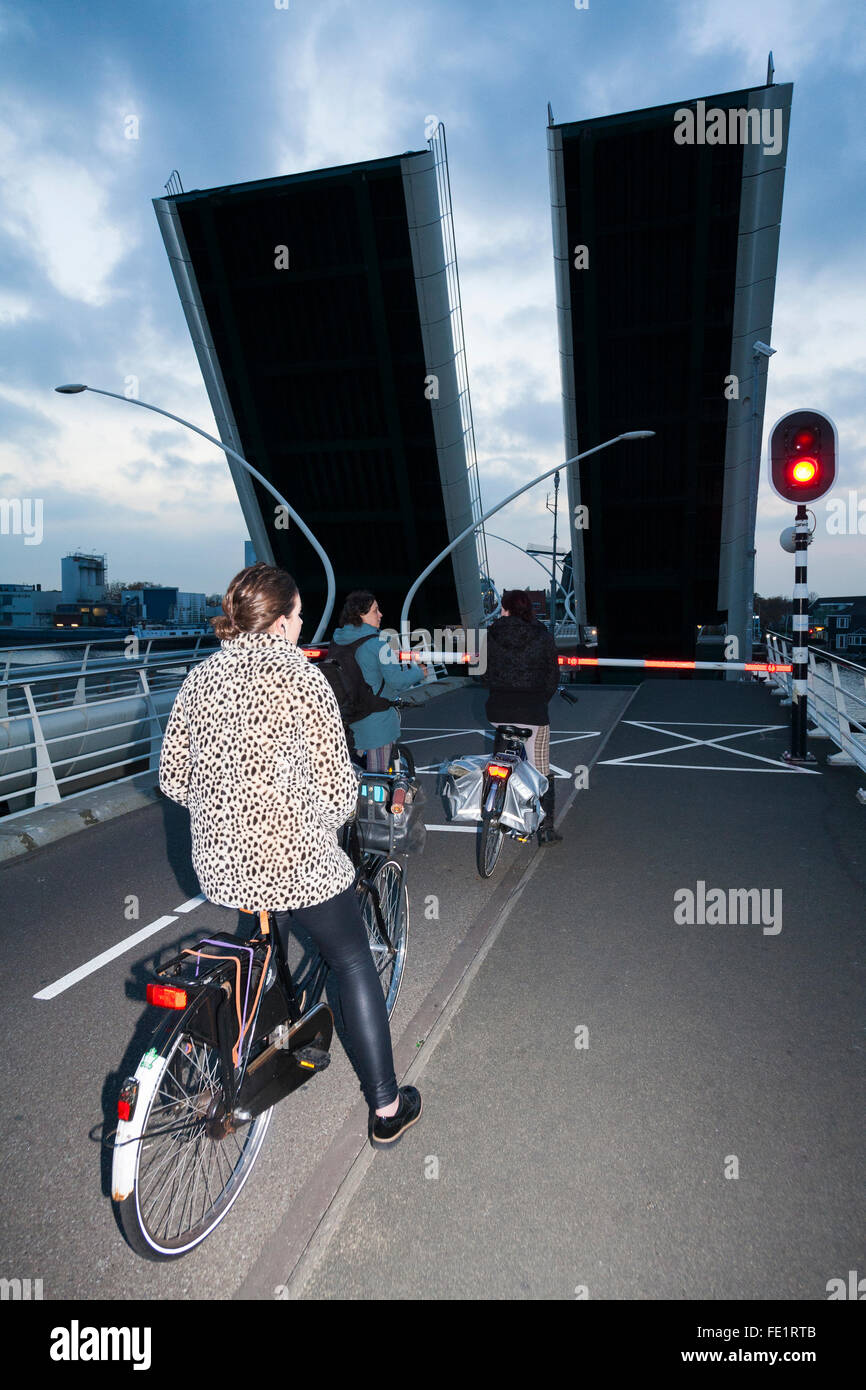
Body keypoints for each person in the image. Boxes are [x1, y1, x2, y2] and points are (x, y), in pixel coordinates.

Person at [158, 563, 421, 1145]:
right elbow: (334, 793)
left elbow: (174, 781)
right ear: (278, 622)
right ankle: (385, 1107)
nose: (302, 626)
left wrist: (228, 808)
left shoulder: (200, 678)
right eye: (299, 615)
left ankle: (250, 1042)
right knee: (352, 958)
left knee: (260, 924)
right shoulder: (303, 681)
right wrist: (322, 824)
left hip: (222, 864)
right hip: (296, 860)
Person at [483, 588, 563, 844]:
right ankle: (546, 829)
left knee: (500, 757)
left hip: (498, 710)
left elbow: (481, 674)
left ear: (505, 609)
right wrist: (541, 699)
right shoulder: (542, 635)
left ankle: (498, 802)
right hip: (533, 712)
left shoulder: (491, 634)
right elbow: (553, 676)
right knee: (541, 770)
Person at [331, 590, 428, 770]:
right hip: (377, 722)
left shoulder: (338, 640)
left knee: (352, 770)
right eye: (375, 610)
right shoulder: (379, 644)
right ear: (361, 615)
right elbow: (397, 681)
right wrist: (419, 673)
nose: (380, 614)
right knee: (378, 779)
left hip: (348, 716)